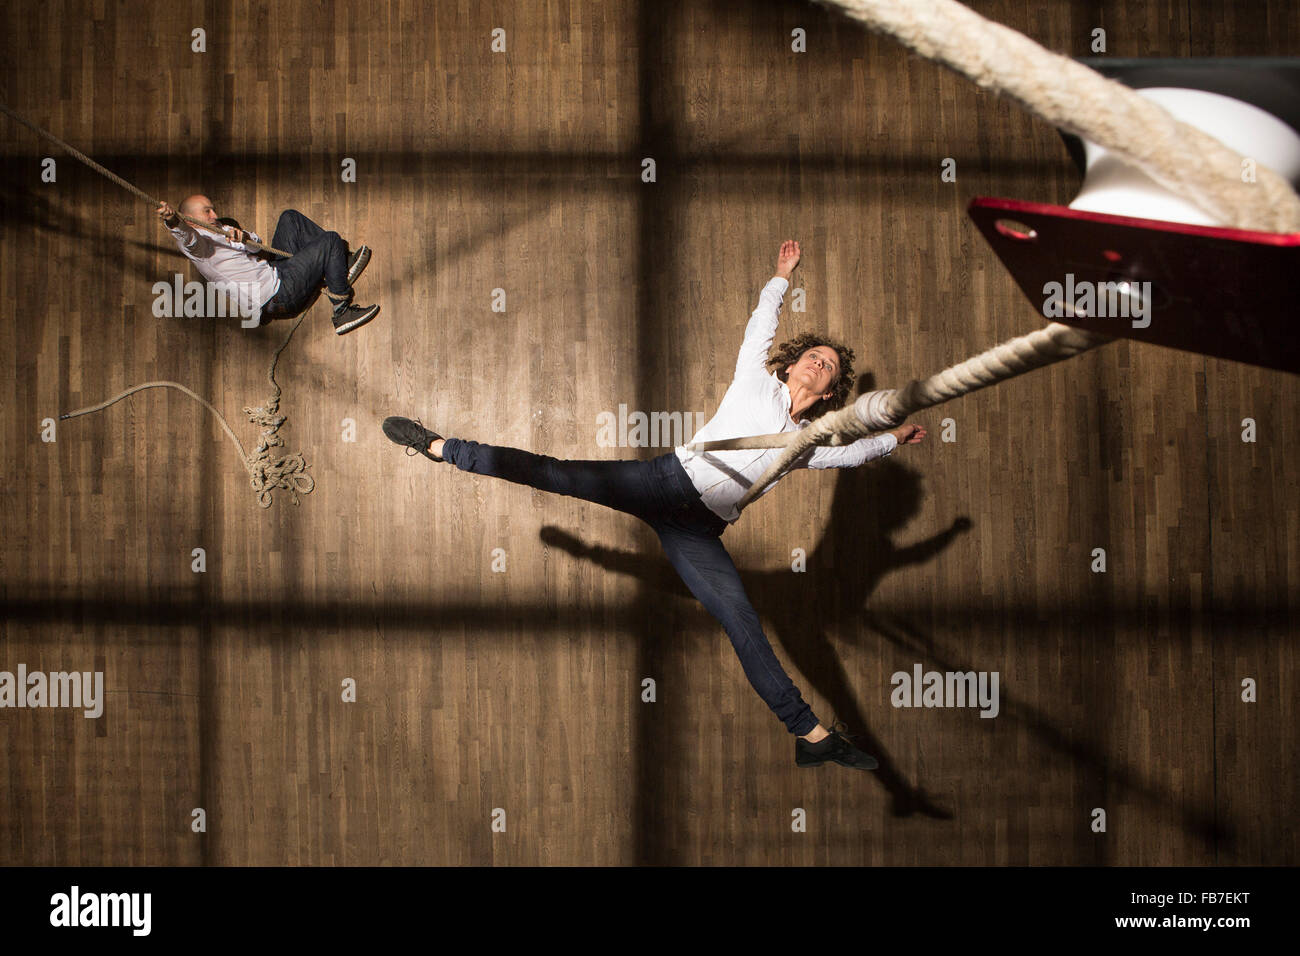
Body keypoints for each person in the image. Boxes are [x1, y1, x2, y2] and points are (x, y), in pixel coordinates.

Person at [383, 240, 926, 771]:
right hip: (664, 482)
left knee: (742, 622)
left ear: (831, 389)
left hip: (699, 532)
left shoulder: (806, 447)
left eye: (827, 365)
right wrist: (782, 276)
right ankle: (444, 448)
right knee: (555, 473)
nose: (816, 364)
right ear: (791, 365)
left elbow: (851, 455)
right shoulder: (753, 383)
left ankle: (810, 736)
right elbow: (760, 325)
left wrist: (893, 439)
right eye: (812, 355)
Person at [156, 196, 379, 333]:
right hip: (280, 293)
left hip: (276, 271)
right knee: (330, 239)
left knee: (289, 218)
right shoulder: (198, 248)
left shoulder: (222, 230)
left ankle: (339, 266)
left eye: (212, 209)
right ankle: (342, 312)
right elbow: (185, 236)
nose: (215, 214)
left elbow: (257, 246)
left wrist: (243, 237)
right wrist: (171, 220)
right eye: (207, 211)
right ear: (188, 218)